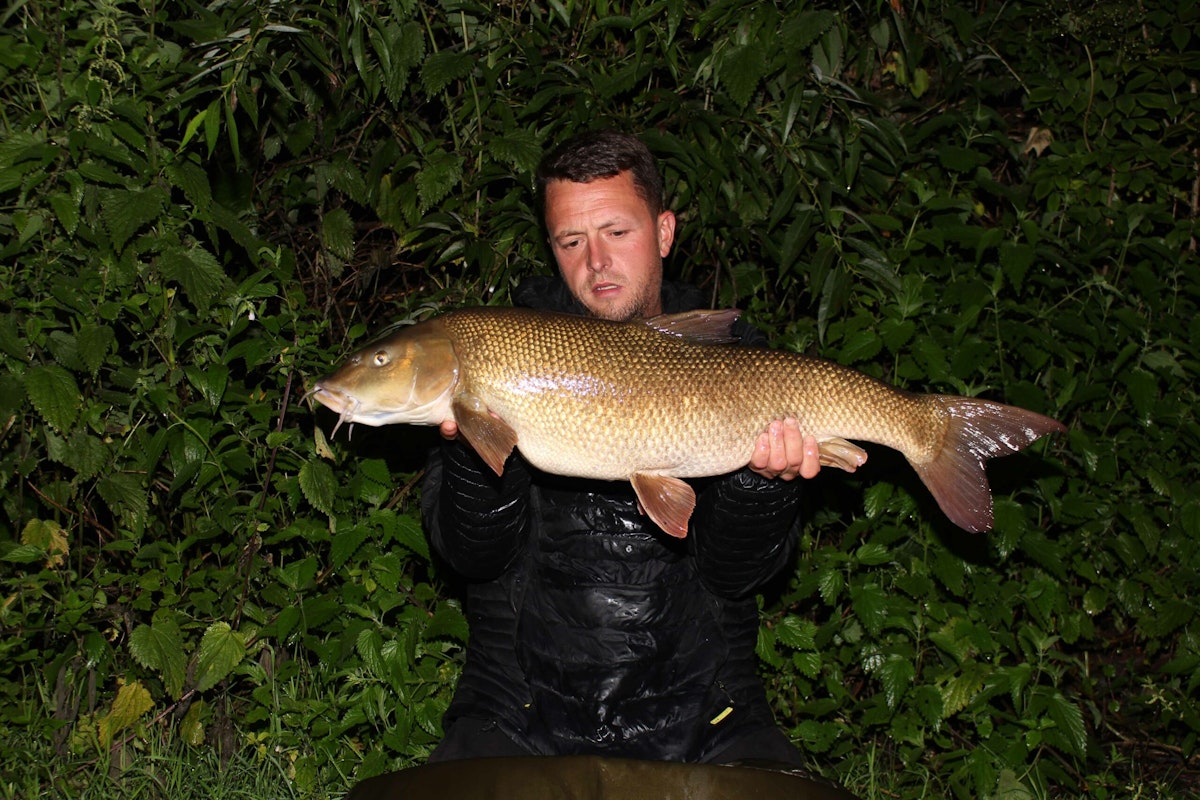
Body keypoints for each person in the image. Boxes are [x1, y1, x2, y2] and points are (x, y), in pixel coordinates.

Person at [420, 129, 821, 767]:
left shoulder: (737, 364)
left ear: (664, 232)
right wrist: (474, 457)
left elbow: (739, 577)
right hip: (519, 710)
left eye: (617, 232)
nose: (596, 262)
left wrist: (759, 485)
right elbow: (470, 559)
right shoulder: (499, 355)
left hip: (705, 714)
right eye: (571, 241)